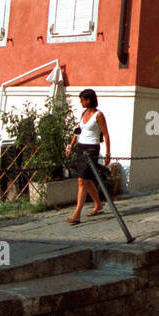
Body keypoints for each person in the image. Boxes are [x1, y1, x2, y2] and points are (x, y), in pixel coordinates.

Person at [64, 88, 111, 223]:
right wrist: (70, 145)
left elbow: (106, 135)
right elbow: (77, 131)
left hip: (91, 149)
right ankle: (98, 205)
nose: (81, 102)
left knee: (81, 180)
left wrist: (108, 153)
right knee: (87, 180)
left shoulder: (99, 115)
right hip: (81, 147)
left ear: (88, 100)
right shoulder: (84, 113)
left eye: (82, 100)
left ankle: (77, 213)